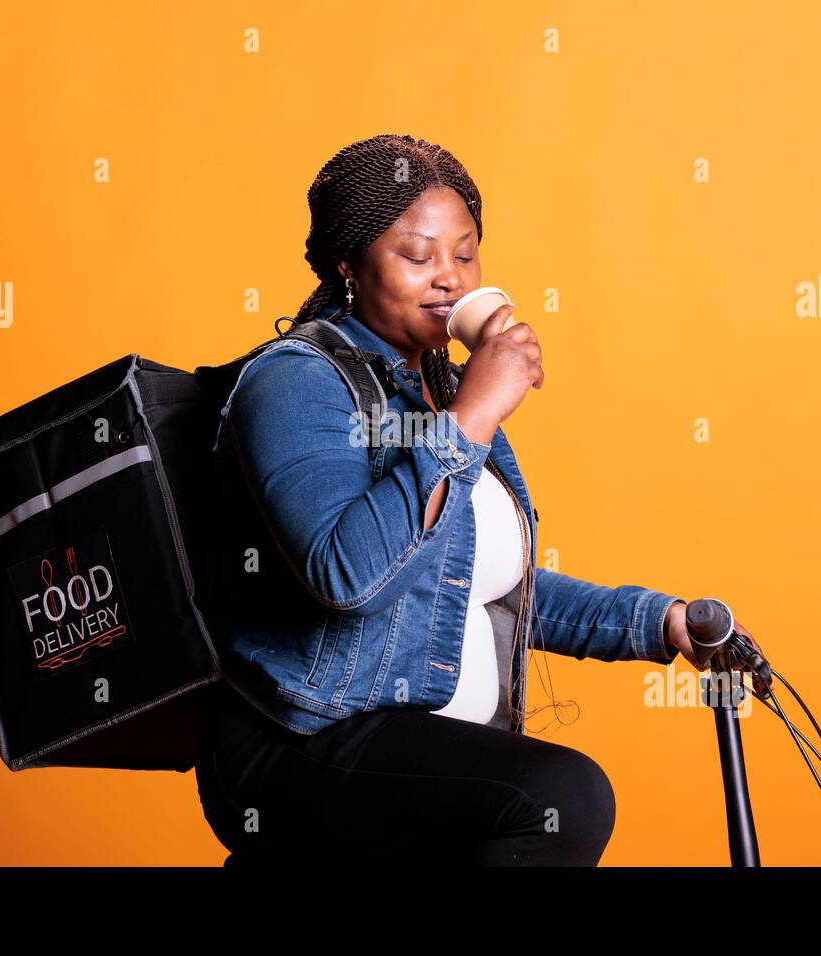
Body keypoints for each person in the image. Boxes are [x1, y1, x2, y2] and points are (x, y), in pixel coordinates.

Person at [194, 133, 763, 866]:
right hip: (299, 739)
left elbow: (484, 590)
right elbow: (346, 576)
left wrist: (661, 621)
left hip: (416, 747)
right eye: (418, 254)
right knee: (562, 799)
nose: (449, 279)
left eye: (465, 255)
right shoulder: (296, 382)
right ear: (348, 264)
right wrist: (471, 419)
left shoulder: (441, 393)